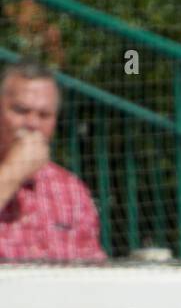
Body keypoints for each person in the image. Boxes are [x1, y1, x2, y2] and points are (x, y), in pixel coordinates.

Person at [0, 60, 105, 261]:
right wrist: (13, 172)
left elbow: (93, 264)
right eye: (20, 111)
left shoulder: (71, 190)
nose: (32, 123)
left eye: (44, 115)